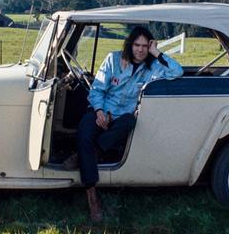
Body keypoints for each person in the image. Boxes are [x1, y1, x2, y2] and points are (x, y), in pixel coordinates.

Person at [66, 26, 183, 221]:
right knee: (85, 130)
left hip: (122, 117)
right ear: (130, 44)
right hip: (101, 110)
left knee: (130, 121)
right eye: (137, 45)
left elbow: (176, 71)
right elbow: (97, 89)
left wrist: (157, 52)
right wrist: (99, 111)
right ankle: (91, 193)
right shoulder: (113, 59)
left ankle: (87, 155)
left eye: (146, 46)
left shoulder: (153, 66)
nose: (140, 50)